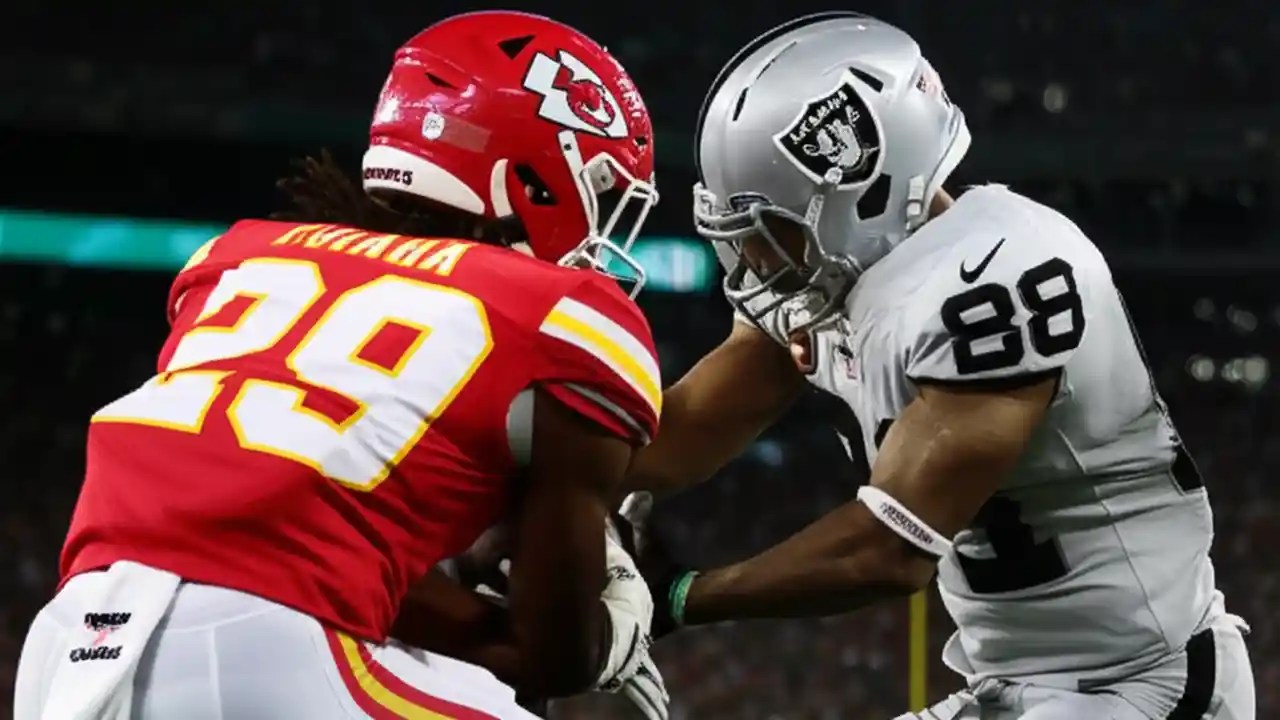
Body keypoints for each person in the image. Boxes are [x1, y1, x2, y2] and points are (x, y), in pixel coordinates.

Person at [14, 11, 668, 719]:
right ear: (532, 183)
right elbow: (551, 657)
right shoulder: (559, 313)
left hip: (66, 644)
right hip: (261, 655)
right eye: (600, 197)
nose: (602, 234)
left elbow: (260, 547)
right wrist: (621, 623)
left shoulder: (237, 259)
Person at [628, 12, 1256, 719]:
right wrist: (542, 482)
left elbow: (887, 551)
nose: (758, 260)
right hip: (1021, 687)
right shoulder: (846, 275)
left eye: (772, 228)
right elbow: (683, 434)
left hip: (1141, 683)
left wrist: (678, 596)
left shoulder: (999, 276)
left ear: (864, 186)